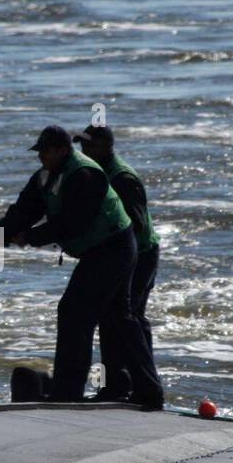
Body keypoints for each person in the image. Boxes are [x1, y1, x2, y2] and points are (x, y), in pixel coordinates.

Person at [0, 125, 164, 410]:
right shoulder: (47, 176)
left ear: (62, 150)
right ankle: (148, 392)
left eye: (46, 152)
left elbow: (74, 222)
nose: (41, 158)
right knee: (118, 318)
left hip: (115, 247)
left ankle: (67, 391)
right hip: (105, 249)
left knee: (75, 311)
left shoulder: (85, 175)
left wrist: (32, 237)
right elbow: (25, 209)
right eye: (39, 153)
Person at [74, 125, 160, 402]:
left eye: (88, 146)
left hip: (140, 255)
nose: (83, 151)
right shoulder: (97, 173)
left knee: (124, 319)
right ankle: (123, 385)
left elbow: (135, 224)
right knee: (120, 319)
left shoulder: (121, 178)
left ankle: (131, 387)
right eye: (81, 145)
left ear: (106, 147)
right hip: (122, 254)